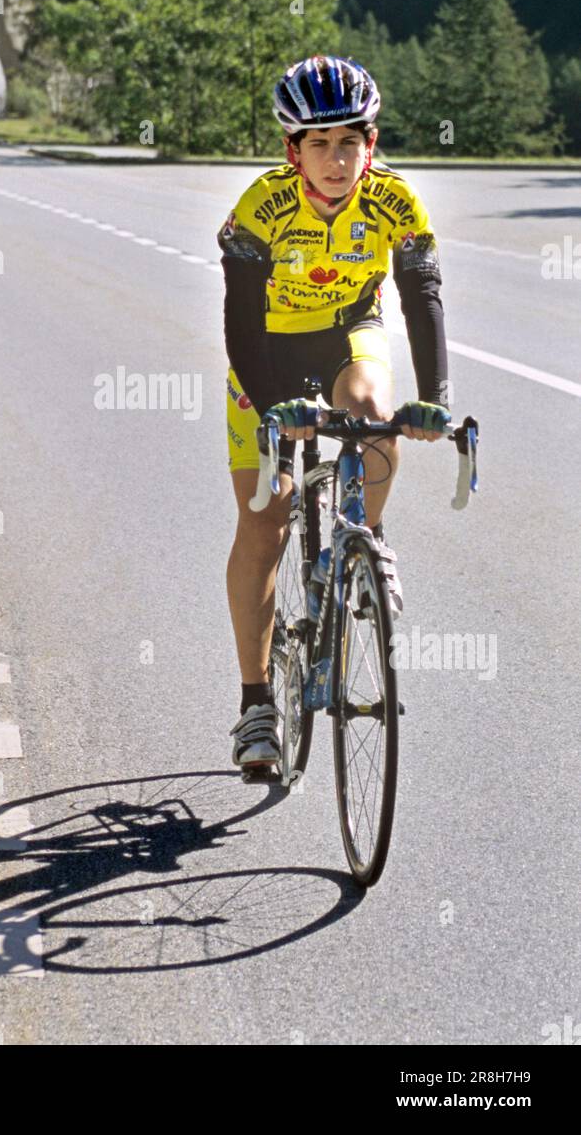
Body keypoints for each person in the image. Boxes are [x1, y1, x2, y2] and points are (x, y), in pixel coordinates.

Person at [218, 54, 451, 769]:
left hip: (351, 332)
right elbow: (240, 321)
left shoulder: (395, 203)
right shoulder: (261, 208)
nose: (336, 158)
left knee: (376, 410)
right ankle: (257, 704)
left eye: (350, 140)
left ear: (370, 144)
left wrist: (435, 402)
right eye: (318, 144)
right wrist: (267, 405)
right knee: (266, 523)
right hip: (269, 351)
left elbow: (420, 300)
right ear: (293, 151)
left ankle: (366, 542)